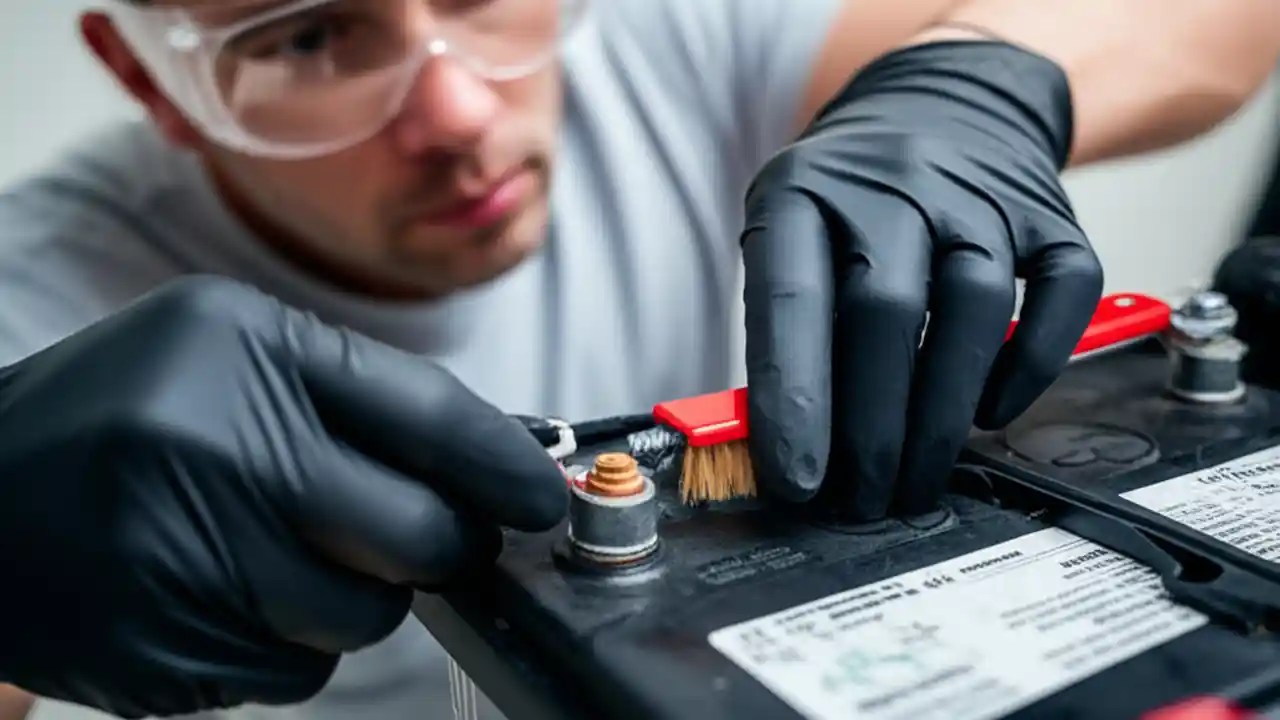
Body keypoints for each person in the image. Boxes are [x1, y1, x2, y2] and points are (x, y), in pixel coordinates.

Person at [0, 0, 1276, 718]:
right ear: (146, 78)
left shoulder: (676, 44)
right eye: (306, 36)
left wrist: (975, 84)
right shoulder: (34, 299)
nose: (454, 115)